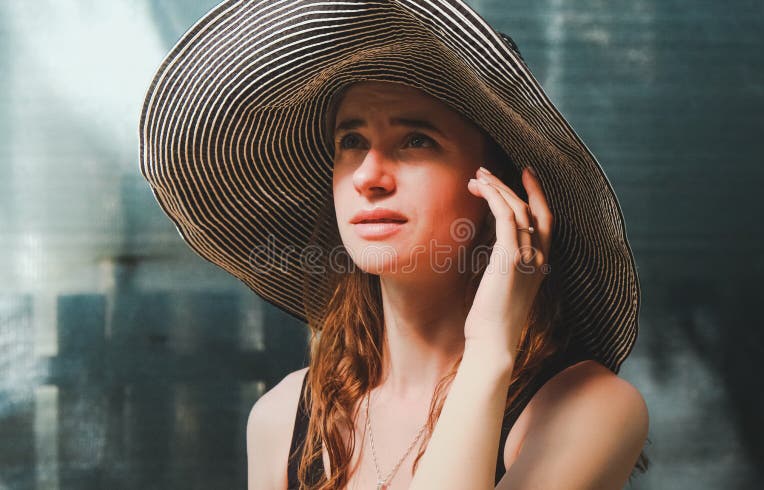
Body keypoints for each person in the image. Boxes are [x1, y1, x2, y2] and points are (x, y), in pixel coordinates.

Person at [137, 1, 650, 489]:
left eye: (416, 140)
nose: (368, 176)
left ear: (500, 191)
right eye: (351, 142)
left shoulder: (590, 409)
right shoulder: (281, 418)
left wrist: (491, 347)